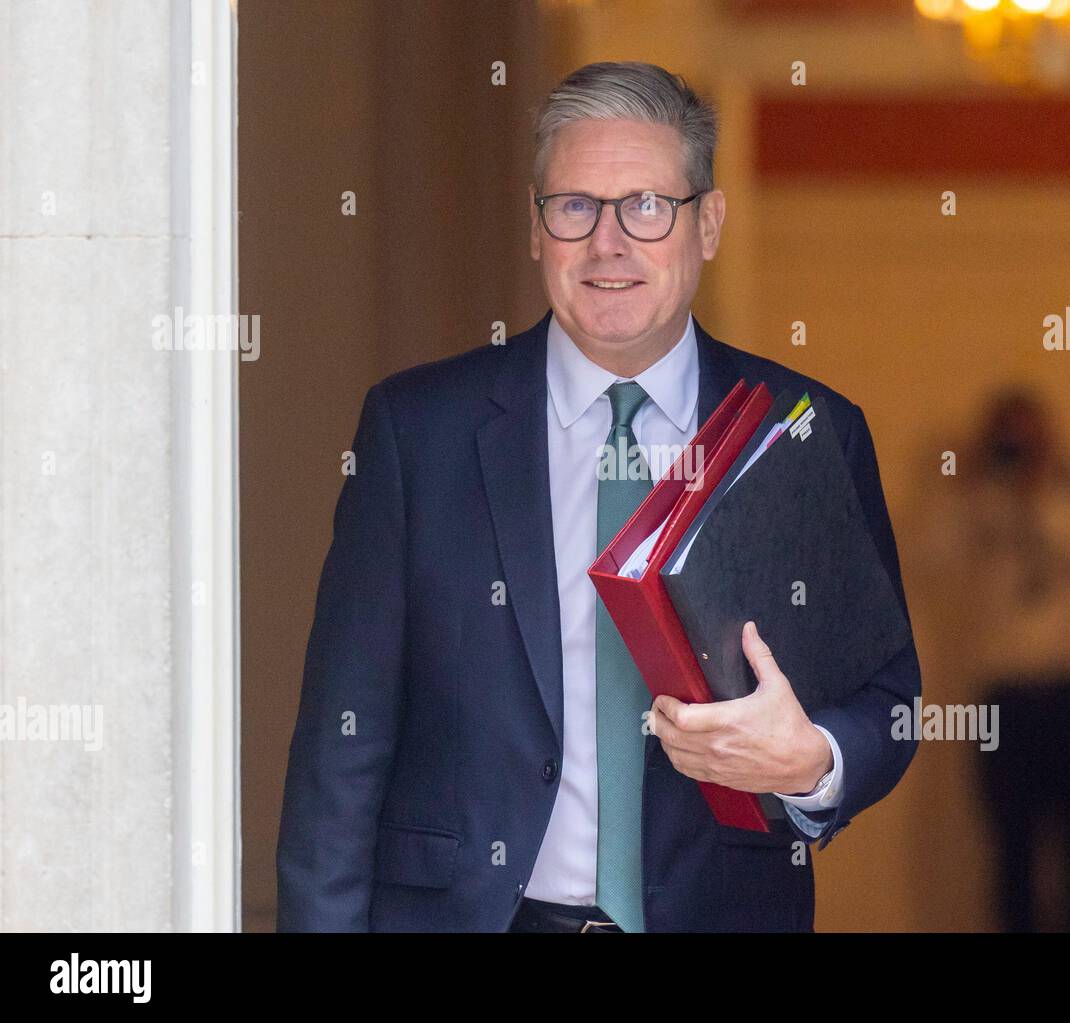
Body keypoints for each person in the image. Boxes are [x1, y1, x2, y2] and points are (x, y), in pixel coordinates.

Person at [276, 60, 922, 933]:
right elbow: (339, 752)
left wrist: (813, 760)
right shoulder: (416, 432)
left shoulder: (804, 430)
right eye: (575, 206)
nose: (608, 243)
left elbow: (889, 698)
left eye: (647, 206)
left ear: (710, 224)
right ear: (537, 229)